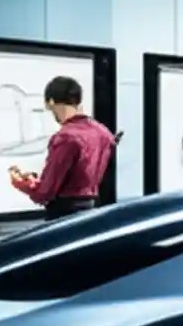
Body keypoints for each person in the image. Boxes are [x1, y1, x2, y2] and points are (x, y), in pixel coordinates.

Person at [9, 76, 117, 220]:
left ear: (51, 102)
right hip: (92, 210)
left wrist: (22, 184)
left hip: (64, 214)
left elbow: (45, 193)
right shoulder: (104, 133)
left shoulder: (65, 137)